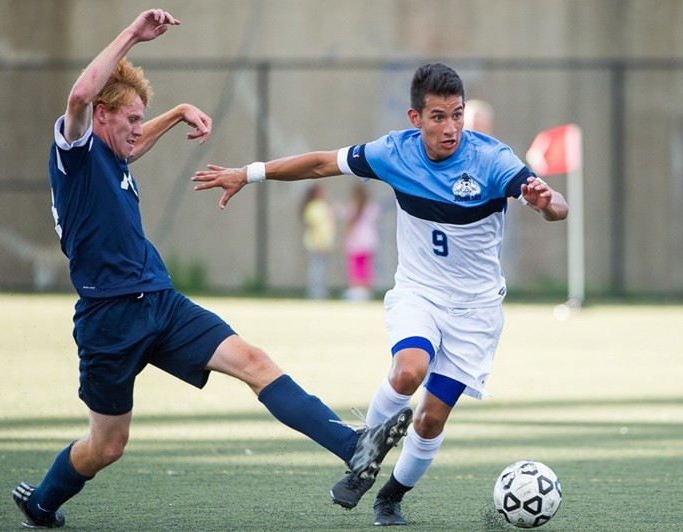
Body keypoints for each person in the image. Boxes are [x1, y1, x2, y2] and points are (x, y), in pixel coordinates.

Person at [11, 9, 411, 528]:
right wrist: (133, 34)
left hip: (159, 302)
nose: (137, 129)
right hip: (107, 319)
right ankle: (43, 502)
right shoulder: (74, 151)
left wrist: (175, 112)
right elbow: (80, 97)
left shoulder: (110, 154)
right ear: (102, 116)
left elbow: (132, 143)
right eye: (130, 118)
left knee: (253, 360)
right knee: (108, 445)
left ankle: (352, 446)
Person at [192, 62, 568, 526]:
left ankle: (389, 497)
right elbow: (320, 163)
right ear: (415, 119)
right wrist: (248, 173)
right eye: (438, 117)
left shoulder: (492, 160)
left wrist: (546, 201)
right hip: (420, 293)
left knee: (430, 420)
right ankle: (362, 455)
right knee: (410, 369)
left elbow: (558, 208)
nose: (451, 128)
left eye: (458, 115)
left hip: (476, 309)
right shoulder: (394, 152)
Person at [342, 183, 381, 301]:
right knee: (366, 268)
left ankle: (357, 292)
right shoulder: (371, 207)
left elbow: (349, 225)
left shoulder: (352, 207)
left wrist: (345, 239)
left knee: (356, 268)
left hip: (356, 242)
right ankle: (364, 292)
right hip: (368, 241)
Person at [300, 183, 336, 299]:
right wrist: (319, 244)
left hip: (324, 244)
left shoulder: (323, 205)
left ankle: (319, 290)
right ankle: (315, 291)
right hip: (316, 244)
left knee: (321, 268)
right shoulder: (313, 207)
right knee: (316, 269)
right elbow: (313, 227)